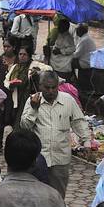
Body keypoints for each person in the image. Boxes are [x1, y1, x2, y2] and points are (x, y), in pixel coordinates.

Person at [20, 69, 94, 198]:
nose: (50, 91)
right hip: (38, 159)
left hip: (60, 159)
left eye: (54, 87)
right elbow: (25, 127)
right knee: (38, 196)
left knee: (58, 196)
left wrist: (86, 143)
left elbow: (79, 122)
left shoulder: (68, 100)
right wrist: (33, 109)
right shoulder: (32, 101)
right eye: (47, 87)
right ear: (40, 86)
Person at [72, 23, 98, 107]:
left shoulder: (84, 40)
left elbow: (76, 54)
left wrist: (66, 53)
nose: (76, 32)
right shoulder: (86, 38)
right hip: (89, 62)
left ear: (81, 31)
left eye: (77, 30)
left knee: (70, 61)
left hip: (86, 63)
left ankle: (73, 81)